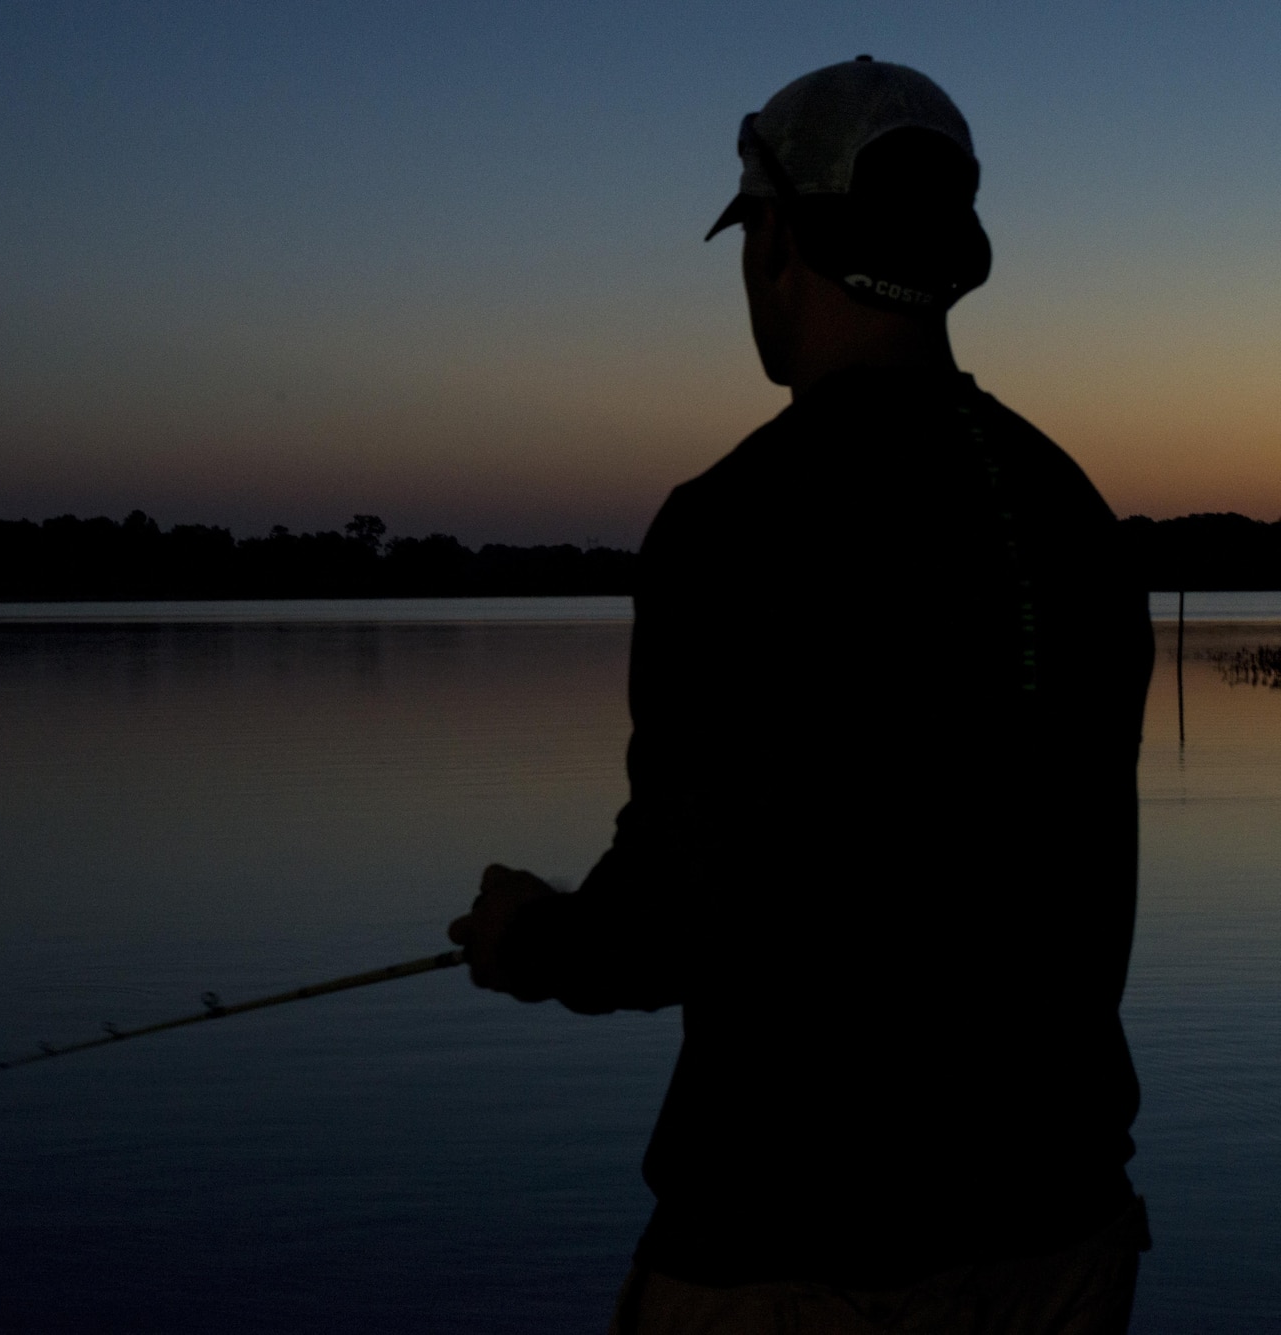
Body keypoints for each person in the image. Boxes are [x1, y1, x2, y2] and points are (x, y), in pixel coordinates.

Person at [449, 58, 1155, 1334]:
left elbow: (668, 919)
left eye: (747, 233)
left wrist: (528, 941)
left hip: (791, 1259)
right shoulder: (1075, 520)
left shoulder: (728, 528)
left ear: (776, 236)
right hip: (1062, 1244)